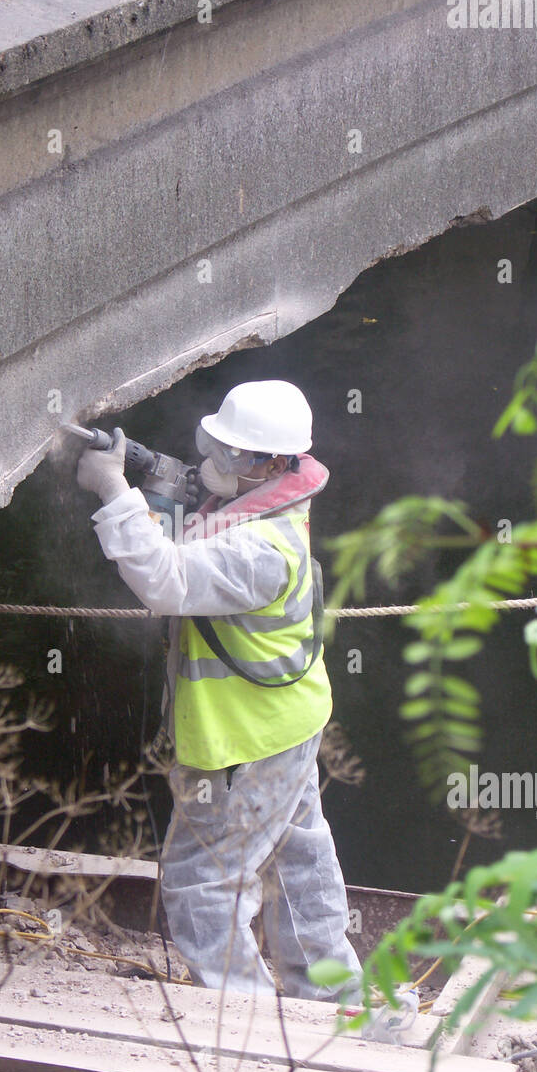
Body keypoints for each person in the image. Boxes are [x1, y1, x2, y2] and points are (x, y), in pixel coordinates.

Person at [76, 379, 362, 1001]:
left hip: (246, 743)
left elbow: (167, 579)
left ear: (271, 463)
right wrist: (146, 469)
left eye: (232, 453)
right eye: (217, 446)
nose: (217, 462)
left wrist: (113, 490)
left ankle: (246, 1032)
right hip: (289, 722)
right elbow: (205, 507)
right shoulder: (275, 504)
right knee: (297, 856)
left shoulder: (261, 551)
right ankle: (329, 995)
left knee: (201, 881)